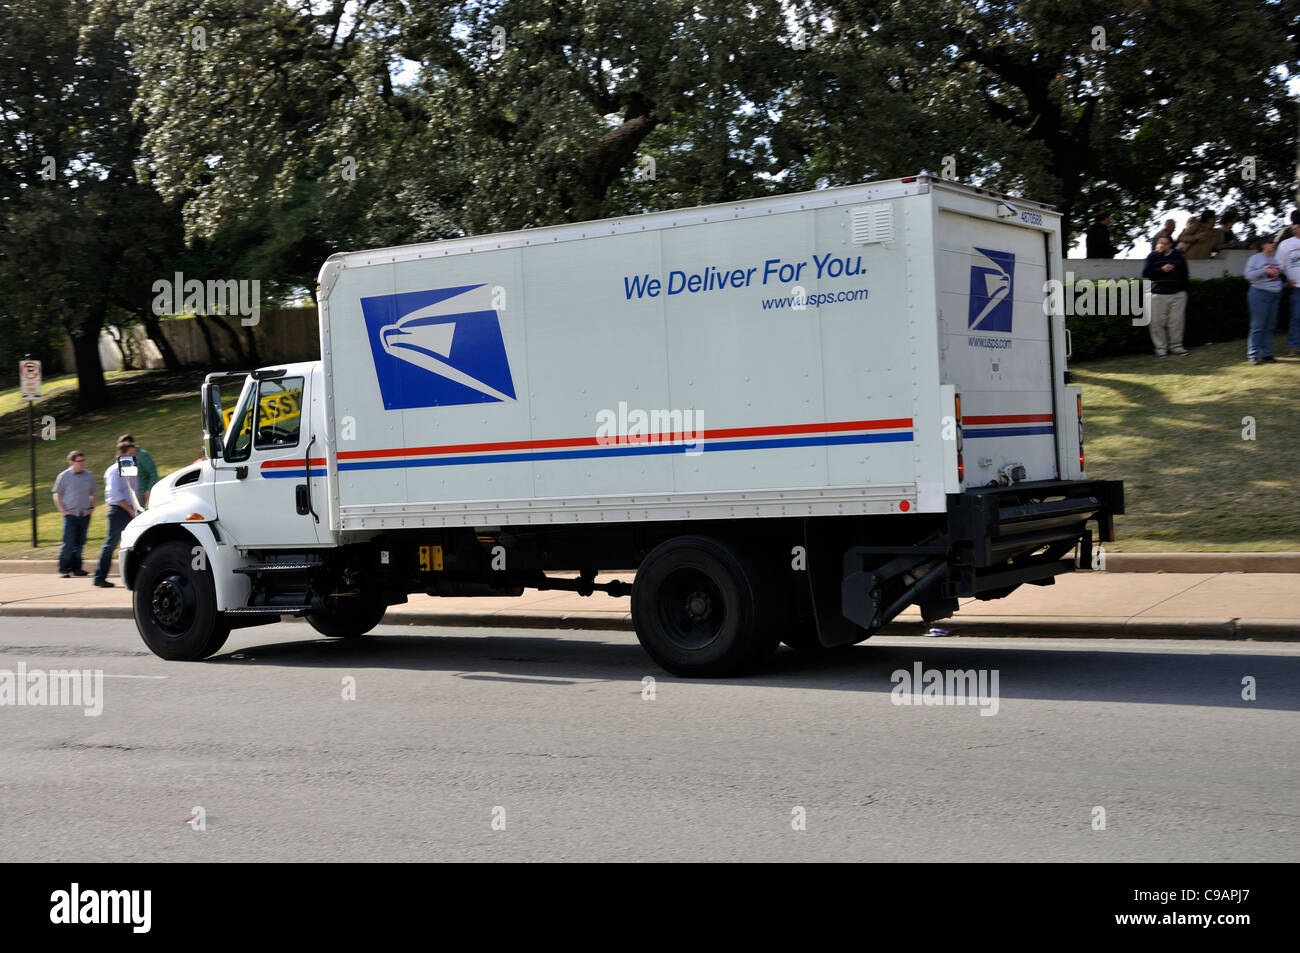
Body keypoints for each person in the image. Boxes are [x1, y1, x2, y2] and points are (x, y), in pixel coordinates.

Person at [93, 440, 138, 588]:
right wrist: (131, 510)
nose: (133, 456)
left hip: (130, 510)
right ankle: (99, 577)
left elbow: (133, 490)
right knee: (110, 544)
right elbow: (116, 496)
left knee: (136, 543)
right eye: (130, 454)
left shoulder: (130, 469)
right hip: (118, 511)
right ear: (121, 454)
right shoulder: (113, 470)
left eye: (134, 454)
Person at [1141, 235, 1190, 357]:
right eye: (1159, 243)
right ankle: (1161, 348)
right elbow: (1146, 273)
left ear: (1170, 245)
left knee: (1176, 322)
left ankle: (1177, 347)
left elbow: (1185, 274)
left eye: (1164, 243)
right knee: (1156, 323)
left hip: (1177, 295)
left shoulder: (1179, 257)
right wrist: (1162, 270)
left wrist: (1183, 291)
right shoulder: (1152, 256)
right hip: (1158, 294)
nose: (1161, 245)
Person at [52, 450, 95, 578]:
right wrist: (63, 511)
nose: (82, 463)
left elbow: (93, 493)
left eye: (83, 460)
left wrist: (92, 507)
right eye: (79, 461)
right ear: (71, 462)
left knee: (80, 543)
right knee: (69, 543)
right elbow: (56, 494)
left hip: (85, 514)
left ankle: (77, 568)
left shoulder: (89, 475)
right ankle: (64, 569)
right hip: (70, 515)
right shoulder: (64, 476)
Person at [1244, 240, 1283, 365]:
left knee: (1270, 326)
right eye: (1270, 243)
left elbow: (1278, 276)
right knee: (1258, 325)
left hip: (1274, 295)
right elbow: (1248, 275)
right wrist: (1265, 271)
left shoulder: (1274, 260)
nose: (1273, 245)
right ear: (1263, 245)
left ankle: (1266, 354)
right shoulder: (1254, 258)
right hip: (1259, 294)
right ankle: (1253, 355)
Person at [1277, 223, 1300, 357]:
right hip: (1296, 287)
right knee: (1296, 316)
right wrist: (1286, 280)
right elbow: (1279, 266)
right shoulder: (1285, 245)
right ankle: (1294, 346)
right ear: (1294, 229)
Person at [118, 433, 157, 505]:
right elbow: (127, 477)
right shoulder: (126, 457)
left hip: (143, 491)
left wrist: (149, 489)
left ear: (133, 443)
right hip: (133, 493)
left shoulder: (142, 455)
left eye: (127, 445)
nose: (125, 448)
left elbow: (153, 473)